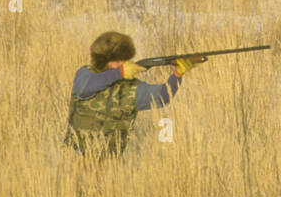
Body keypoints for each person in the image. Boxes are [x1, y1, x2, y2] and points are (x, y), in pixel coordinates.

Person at [63, 31, 205, 157]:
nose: (121, 63)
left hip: (111, 162)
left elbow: (162, 97)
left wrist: (177, 75)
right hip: (76, 159)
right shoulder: (86, 74)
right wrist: (119, 73)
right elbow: (83, 88)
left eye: (123, 59)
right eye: (115, 60)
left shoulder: (131, 87)